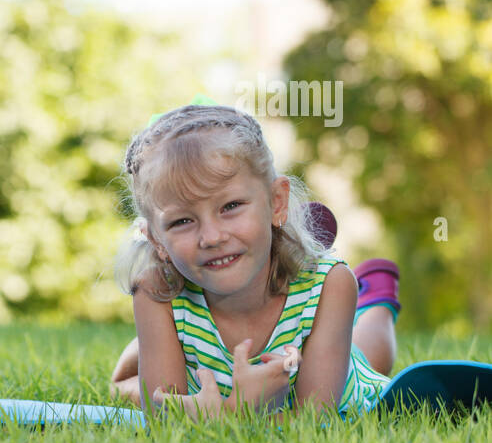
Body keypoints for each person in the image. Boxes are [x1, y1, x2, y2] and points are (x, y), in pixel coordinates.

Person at [107, 102, 399, 418]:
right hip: (189, 332)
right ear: (156, 241)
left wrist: (228, 414)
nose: (212, 237)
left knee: (368, 358)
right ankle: (158, 346)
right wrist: (235, 409)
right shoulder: (155, 292)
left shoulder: (330, 285)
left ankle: (377, 301)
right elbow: (164, 419)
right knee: (121, 386)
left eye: (230, 206)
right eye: (181, 222)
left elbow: (314, 421)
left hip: (347, 381)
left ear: (277, 202)